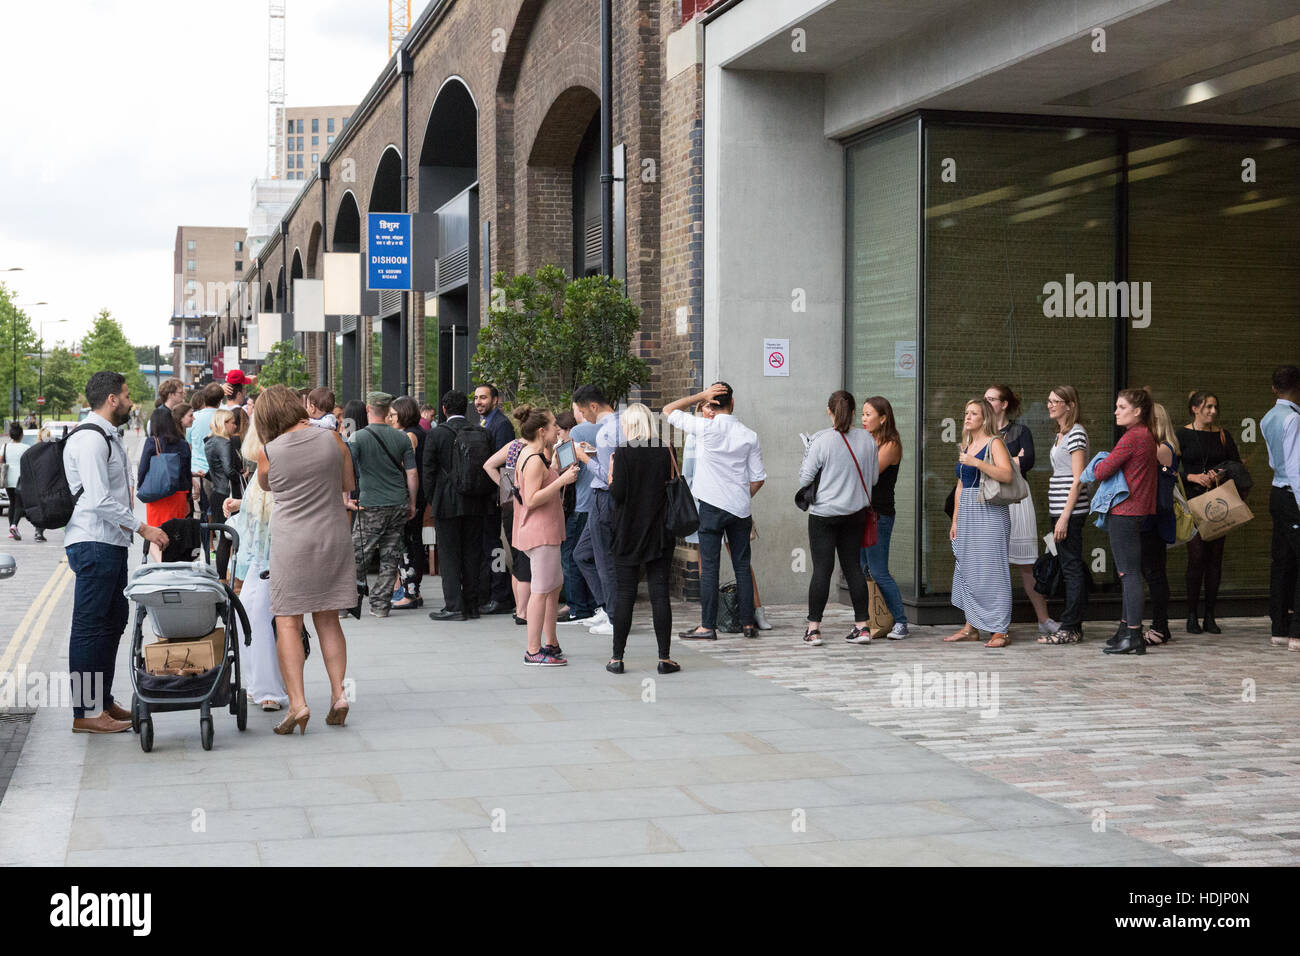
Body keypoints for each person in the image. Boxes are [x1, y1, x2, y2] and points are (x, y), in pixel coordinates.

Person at [64, 371, 169, 733]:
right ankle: (86, 712)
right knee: (90, 628)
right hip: (93, 543)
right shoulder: (91, 440)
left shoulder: (106, 435)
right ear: (111, 399)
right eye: (125, 395)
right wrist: (142, 527)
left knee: (111, 622)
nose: (129, 402)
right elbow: (97, 498)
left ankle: (103, 702)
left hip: (108, 542)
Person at [255, 384, 355, 735]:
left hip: (292, 543)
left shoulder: (268, 450)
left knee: (287, 623)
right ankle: (340, 695)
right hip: (332, 536)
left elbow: (267, 486)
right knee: (328, 619)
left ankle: (298, 704)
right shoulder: (332, 438)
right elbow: (348, 483)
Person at [665, 382, 767, 640]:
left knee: (709, 567)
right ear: (732, 404)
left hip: (710, 507)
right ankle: (746, 624)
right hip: (740, 509)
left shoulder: (705, 428)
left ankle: (707, 626)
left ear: (711, 405)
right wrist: (741, 496)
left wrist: (700, 396)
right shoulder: (749, 435)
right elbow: (758, 478)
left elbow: (668, 410)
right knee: (742, 566)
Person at [799, 390, 877, 646]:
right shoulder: (867, 439)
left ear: (829, 411)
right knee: (853, 567)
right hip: (855, 514)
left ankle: (814, 629)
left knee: (822, 569)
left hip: (823, 513)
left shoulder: (821, 440)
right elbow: (873, 478)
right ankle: (862, 627)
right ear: (854, 412)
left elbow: (804, 479)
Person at [605, 403, 679, 674]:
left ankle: (617, 658)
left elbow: (619, 494)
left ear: (630, 425)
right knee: (660, 594)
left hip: (627, 532)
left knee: (625, 595)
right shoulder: (664, 450)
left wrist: (613, 475)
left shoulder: (623, 452)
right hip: (659, 532)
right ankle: (664, 658)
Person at [222, 414, 289, 711]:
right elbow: (256, 506)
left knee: (257, 616)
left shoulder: (271, 459)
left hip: (270, 556)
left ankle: (268, 690)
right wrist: (239, 505)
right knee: (251, 615)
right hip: (262, 555)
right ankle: (262, 684)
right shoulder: (268, 460)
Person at [986, 384, 1058, 637]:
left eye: (991, 399)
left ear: (1004, 404)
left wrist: (999, 464)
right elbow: (976, 464)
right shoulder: (981, 431)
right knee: (992, 563)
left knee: (1025, 562)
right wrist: (1010, 461)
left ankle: (1043, 619)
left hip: (1017, 498)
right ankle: (993, 622)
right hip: (991, 499)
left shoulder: (1020, 430)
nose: (987, 403)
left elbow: (1027, 461)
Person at [1093, 388, 1159, 656]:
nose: (1116, 411)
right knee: (1129, 572)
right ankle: (1125, 630)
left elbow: (1102, 471)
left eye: (1121, 407)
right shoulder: (1146, 436)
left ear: (1137, 411)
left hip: (1125, 511)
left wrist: (1100, 461)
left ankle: (1133, 634)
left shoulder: (1133, 437)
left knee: (1128, 574)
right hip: (1138, 510)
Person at [944, 398, 1015, 648]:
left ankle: (999, 630)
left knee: (993, 571)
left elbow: (1006, 474)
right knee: (966, 567)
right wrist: (955, 519)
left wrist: (976, 462)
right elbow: (960, 486)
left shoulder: (995, 443)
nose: (967, 417)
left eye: (973, 413)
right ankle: (970, 627)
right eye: (966, 412)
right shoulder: (967, 444)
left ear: (985, 418)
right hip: (967, 513)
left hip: (990, 512)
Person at [512, 406, 579, 665]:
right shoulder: (532, 459)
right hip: (540, 532)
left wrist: (557, 469)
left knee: (551, 587)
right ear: (542, 431)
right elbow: (531, 499)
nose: (556, 430)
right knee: (541, 591)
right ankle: (533, 650)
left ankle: (550, 642)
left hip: (545, 530)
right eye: (553, 426)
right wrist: (562, 481)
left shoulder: (535, 456)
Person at [424, 390, 493, 620]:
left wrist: (432, 500)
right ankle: (472, 605)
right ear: (467, 408)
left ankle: (453, 606)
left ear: (444, 409)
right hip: (476, 501)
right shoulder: (481, 432)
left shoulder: (436, 434)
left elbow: (429, 472)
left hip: (446, 503)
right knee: (473, 553)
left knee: (449, 554)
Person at [1178, 390, 1242, 634]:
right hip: (1193, 500)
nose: (1213, 412)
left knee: (1215, 559)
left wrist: (1220, 473)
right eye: (1208, 407)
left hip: (1218, 502)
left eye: (1215, 407)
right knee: (1196, 558)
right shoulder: (1182, 434)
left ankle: (1210, 615)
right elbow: (1167, 467)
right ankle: (1191, 614)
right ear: (1195, 408)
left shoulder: (1223, 435)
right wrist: (1192, 476)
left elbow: (1235, 464)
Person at [350, 392, 418, 618]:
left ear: (369, 409)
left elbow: (346, 469)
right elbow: (412, 474)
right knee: (391, 556)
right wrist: (412, 503)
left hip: (370, 504)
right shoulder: (402, 438)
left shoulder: (357, 438)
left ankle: (346, 603)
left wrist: (345, 498)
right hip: (398, 502)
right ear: (389, 410)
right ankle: (380, 605)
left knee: (357, 554)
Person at [1040, 386, 1090, 645]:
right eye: (1049, 401)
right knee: (1065, 565)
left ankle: (1070, 627)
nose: (1050, 405)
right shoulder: (1061, 434)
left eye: (1055, 401)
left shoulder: (1077, 433)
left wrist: (1064, 517)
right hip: (1057, 509)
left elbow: (1078, 478)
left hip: (1069, 511)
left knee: (1071, 567)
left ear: (1070, 405)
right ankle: (1071, 624)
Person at [571, 385, 621, 637]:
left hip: (604, 498)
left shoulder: (605, 432)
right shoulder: (622, 424)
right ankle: (607, 608)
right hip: (605, 500)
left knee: (604, 559)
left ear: (593, 406)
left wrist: (584, 458)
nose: (583, 417)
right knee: (583, 553)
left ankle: (614, 617)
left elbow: (609, 475)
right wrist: (591, 454)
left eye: (582, 411)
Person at [857, 396, 907, 638]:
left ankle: (901, 621)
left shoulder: (891, 444)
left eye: (868, 414)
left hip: (879, 515)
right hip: (859, 512)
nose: (863, 419)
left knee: (878, 570)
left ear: (883, 418)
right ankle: (870, 619)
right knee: (862, 568)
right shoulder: (865, 441)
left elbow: (869, 474)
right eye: (863, 414)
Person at [1262, 365, 1300, 651]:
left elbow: (1275, 462)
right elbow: (1296, 467)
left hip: (1276, 490)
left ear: (1275, 388)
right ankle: (1297, 631)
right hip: (1292, 493)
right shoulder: (1293, 419)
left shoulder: (1267, 418)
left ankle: (1279, 628)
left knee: (1281, 561)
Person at [484, 417, 533, 627]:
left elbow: (489, 465)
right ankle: (525, 610)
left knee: (516, 555)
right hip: (527, 507)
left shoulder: (512, 446)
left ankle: (520, 608)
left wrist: (506, 488)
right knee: (527, 558)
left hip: (509, 506)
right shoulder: (534, 451)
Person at [474, 383, 518, 615]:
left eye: (483, 398)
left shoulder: (501, 425)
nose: (478, 402)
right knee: (489, 544)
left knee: (494, 546)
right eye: (476, 398)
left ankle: (501, 594)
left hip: (495, 496)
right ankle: (496, 591)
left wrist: (505, 495)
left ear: (496, 400)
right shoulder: (485, 422)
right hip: (487, 496)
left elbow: (507, 465)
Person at [1140, 401, 1180, 646]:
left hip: (1155, 517)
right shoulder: (1160, 446)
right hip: (1153, 515)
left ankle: (1160, 627)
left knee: (1154, 573)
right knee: (1153, 571)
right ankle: (1160, 625)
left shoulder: (1163, 449)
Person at [557, 406, 598, 625]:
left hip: (581, 505)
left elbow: (562, 467)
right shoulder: (603, 430)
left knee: (571, 555)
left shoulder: (577, 434)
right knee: (591, 557)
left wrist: (558, 450)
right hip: (597, 502)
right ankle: (592, 605)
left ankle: (578, 607)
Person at [136, 405, 193, 557]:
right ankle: (172, 562)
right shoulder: (183, 444)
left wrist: (141, 486)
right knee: (176, 533)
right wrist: (188, 498)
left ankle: (160, 563)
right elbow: (187, 473)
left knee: (156, 531)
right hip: (179, 494)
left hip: (156, 495)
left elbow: (142, 469)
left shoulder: (152, 442)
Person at [390, 395, 427, 609]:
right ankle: (410, 589)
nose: (391, 418)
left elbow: (407, 468)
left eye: (394, 415)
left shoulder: (409, 436)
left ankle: (411, 592)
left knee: (408, 542)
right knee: (412, 541)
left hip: (410, 495)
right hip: (416, 494)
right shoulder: (417, 433)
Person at [205, 409, 246, 580]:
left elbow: (214, 470)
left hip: (217, 492)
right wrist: (241, 476)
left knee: (223, 535)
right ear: (224, 423)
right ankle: (226, 577)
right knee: (229, 536)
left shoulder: (209, 441)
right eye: (231, 422)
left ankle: (222, 577)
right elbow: (229, 469)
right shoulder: (225, 443)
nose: (234, 426)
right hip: (228, 494)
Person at [4, 422, 29, 541]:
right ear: (21, 435)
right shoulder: (25, 448)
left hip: (8, 478)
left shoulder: (5, 446)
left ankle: (11, 529)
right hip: (21, 479)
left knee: (12, 503)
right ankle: (14, 525)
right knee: (20, 504)